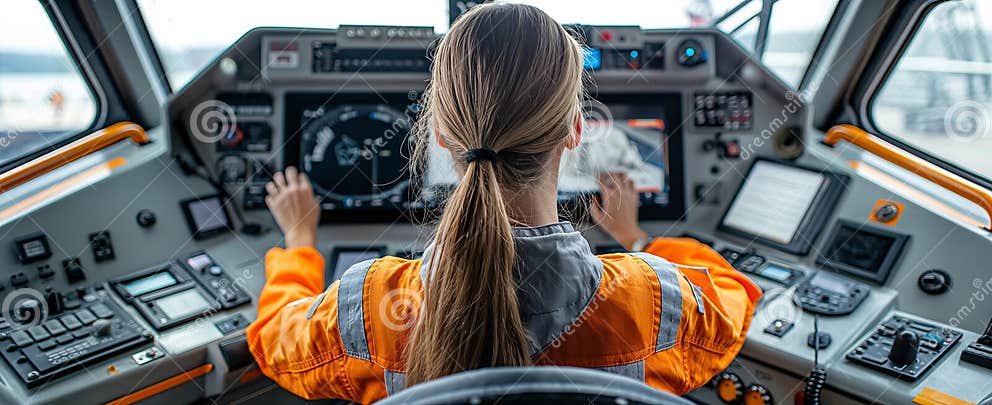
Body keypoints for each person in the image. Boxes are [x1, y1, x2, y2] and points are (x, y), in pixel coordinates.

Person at [246, 3, 761, 404]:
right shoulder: (650, 301)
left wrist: (299, 244)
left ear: (441, 136)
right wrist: (638, 240)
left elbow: (274, 339)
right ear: (576, 130)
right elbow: (736, 298)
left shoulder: (369, 307)